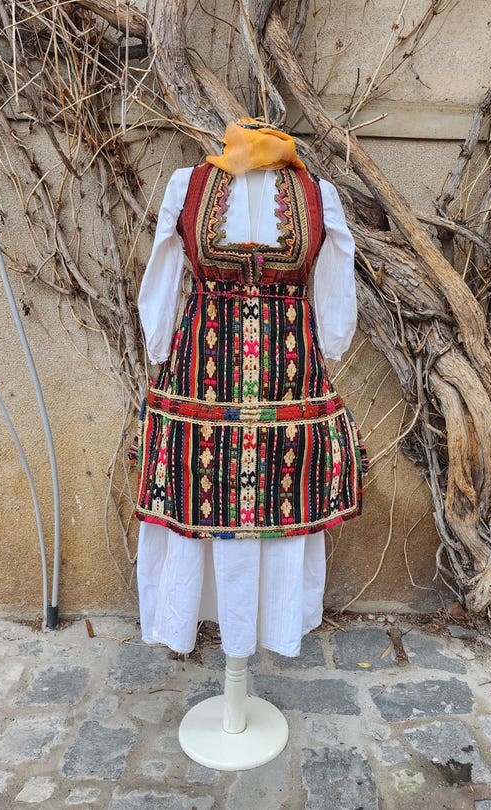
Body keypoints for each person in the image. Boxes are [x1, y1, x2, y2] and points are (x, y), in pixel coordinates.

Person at [133, 117, 365, 660]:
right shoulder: (187, 185)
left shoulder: (316, 193)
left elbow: (337, 266)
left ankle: (267, 629)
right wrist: (160, 341)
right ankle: (206, 624)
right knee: (201, 488)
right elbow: (165, 266)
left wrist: (331, 339)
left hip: (289, 371)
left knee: (280, 493)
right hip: (203, 369)